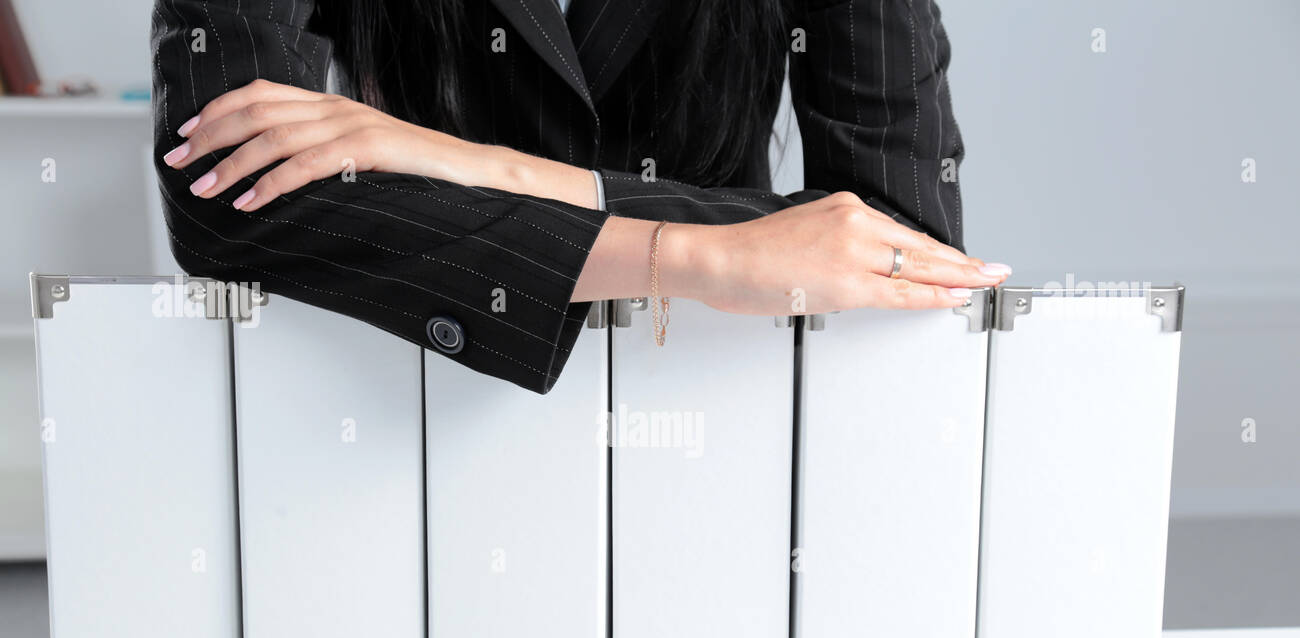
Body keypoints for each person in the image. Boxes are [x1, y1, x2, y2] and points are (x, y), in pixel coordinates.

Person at [153, 0, 1009, 393]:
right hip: (406, 405)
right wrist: (700, 252)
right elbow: (227, 190)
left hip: (716, 397)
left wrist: (478, 164)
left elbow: (902, 239)